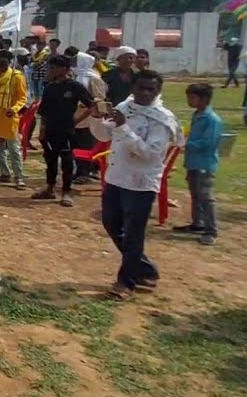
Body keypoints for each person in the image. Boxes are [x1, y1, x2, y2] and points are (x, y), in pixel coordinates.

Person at [90, 70, 182, 301]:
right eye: (141, 87)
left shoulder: (162, 119)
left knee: (133, 234)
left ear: (158, 91)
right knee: (111, 222)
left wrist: (123, 128)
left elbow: (149, 153)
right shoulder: (125, 108)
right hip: (116, 177)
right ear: (133, 88)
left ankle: (126, 282)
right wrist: (95, 117)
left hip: (141, 183)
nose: (145, 93)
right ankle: (144, 269)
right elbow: (102, 135)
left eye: (151, 89)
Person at [31, 55, 95, 207]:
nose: (50, 70)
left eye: (54, 68)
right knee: (50, 160)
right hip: (50, 130)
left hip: (66, 130)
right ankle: (50, 188)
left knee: (66, 161)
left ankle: (66, 192)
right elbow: (44, 111)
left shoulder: (74, 86)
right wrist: (42, 129)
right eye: (50, 67)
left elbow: (91, 105)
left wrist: (76, 121)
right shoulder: (49, 88)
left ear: (65, 69)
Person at [174, 83, 223, 245]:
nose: (189, 100)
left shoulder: (212, 119)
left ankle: (211, 230)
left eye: (192, 97)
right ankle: (198, 223)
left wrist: (186, 145)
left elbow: (208, 142)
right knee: (196, 195)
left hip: (204, 163)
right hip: (193, 162)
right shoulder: (197, 115)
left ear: (204, 99)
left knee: (206, 197)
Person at [0, 49, 28, 189]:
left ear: (9, 62)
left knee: (13, 148)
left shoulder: (16, 76)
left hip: (9, 117)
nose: (0, 64)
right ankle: (5, 173)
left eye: (3, 60)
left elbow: (22, 97)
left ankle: (19, 177)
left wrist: (14, 109)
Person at [71, 53, 108, 184]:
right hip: (76, 116)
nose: (73, 63)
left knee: (85, 145)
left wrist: (88, 106)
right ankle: (79, 171)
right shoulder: (77, 77)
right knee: (76, 144)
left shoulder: (94, 79)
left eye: (75, 61)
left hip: (89, 117)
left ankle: (84, 173)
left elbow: (99, 99)